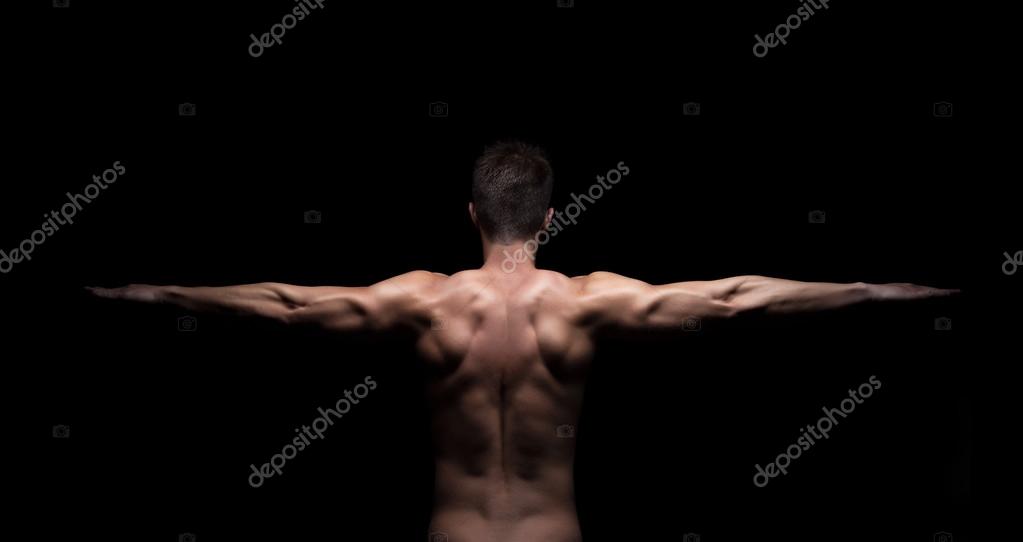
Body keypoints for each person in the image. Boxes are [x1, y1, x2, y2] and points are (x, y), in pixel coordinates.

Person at [88, 141, 957, 542]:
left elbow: (284, 305)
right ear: (549, 218)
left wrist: (155, 290)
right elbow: (734, 301)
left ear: (471, 217)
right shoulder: (584, 303)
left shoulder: (425, 303)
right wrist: (875, 290)